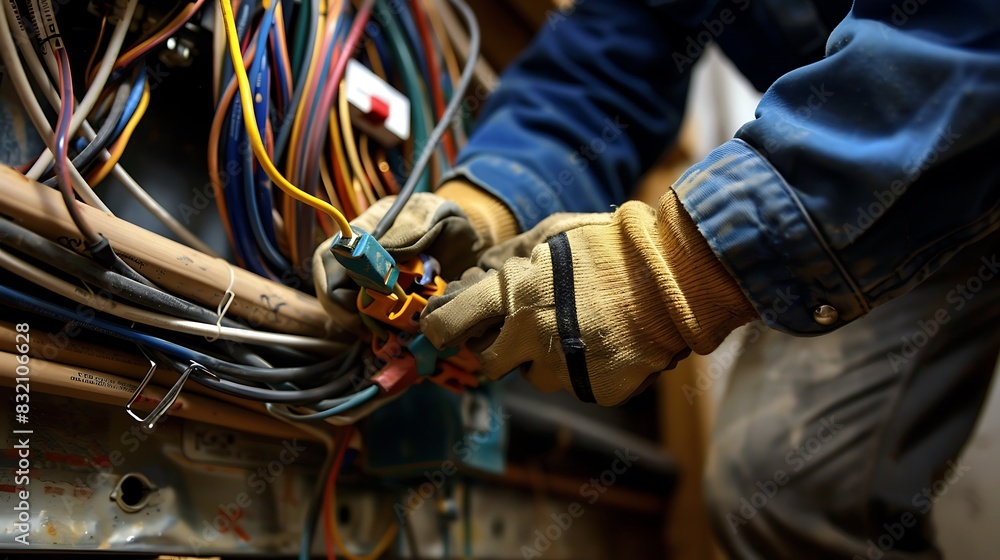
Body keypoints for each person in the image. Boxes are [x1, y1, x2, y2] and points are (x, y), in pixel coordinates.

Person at [315, 0, 1000, 557]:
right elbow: (612, 59)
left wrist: (675, 268)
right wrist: (491, 199)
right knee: (776, 489)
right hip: (857, 174)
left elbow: (964, 38)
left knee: (789, 494)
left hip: (957, 147)